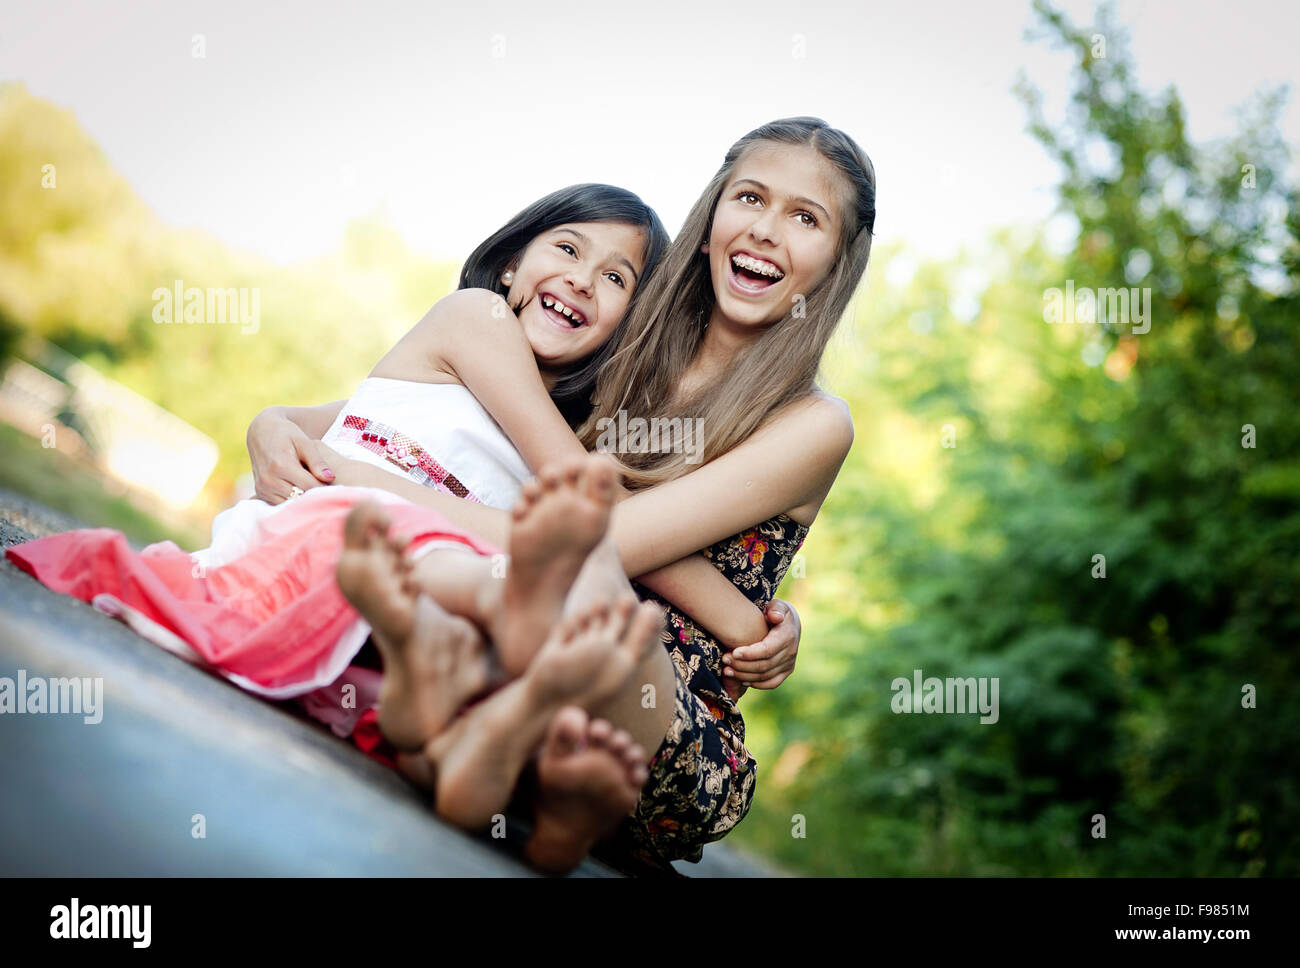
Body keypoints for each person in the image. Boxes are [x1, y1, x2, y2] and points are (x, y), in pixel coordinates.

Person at [284, 117, 877, 872]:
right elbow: (439, 413)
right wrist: (278, 425)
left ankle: (505, 737)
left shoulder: (812, 423)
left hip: (657, 709)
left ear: (837, 263)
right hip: (522, 623)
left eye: (805, 218)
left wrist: (363, 484)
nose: (765, 229)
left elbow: (602, 541)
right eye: (751, 198)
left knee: (584, 579)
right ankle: (502, 769)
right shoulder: (625, 346)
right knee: (511, 600)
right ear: (709, 221)